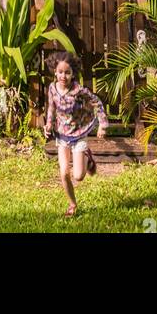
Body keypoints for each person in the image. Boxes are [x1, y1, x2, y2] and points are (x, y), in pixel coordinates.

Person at [44, 52, 108, 217]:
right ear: (55, 72)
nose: (63, 76)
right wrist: (49, 124)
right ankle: (72, 204)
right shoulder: (52, 88)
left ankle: (87, 156)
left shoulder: (78, 90)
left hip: (79, 134)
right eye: (60, 72)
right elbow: (51, 107)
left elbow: (97, 102)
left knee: (78, 176)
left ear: (73, 74)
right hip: (61, 135)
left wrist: (102, 124)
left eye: (67, 72)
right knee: (64, 173)